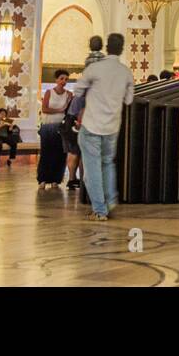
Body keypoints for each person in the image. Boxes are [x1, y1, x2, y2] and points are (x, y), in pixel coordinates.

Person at [78, 32, 135, 220]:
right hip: (112, 126)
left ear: (107, 47)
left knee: (92, 168)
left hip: (92, 124)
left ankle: (100, 210)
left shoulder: (95, 69)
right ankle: (110, 200)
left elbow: (77, 90)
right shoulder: (126, 72)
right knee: (108, 163)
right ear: (121, 49)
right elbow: (129, 100)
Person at [37, 71, 72, 188]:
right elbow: (45, 109)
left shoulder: (69, 94)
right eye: (61, 78)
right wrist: (60, 110)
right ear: (56, 80)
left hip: (61, 127)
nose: (64, 81)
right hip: (48, 126)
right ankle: (42, 179)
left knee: (60, 154)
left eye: (66, 79)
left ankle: (56, 180)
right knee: (46, 153)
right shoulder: (49, 92)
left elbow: (68, 111)